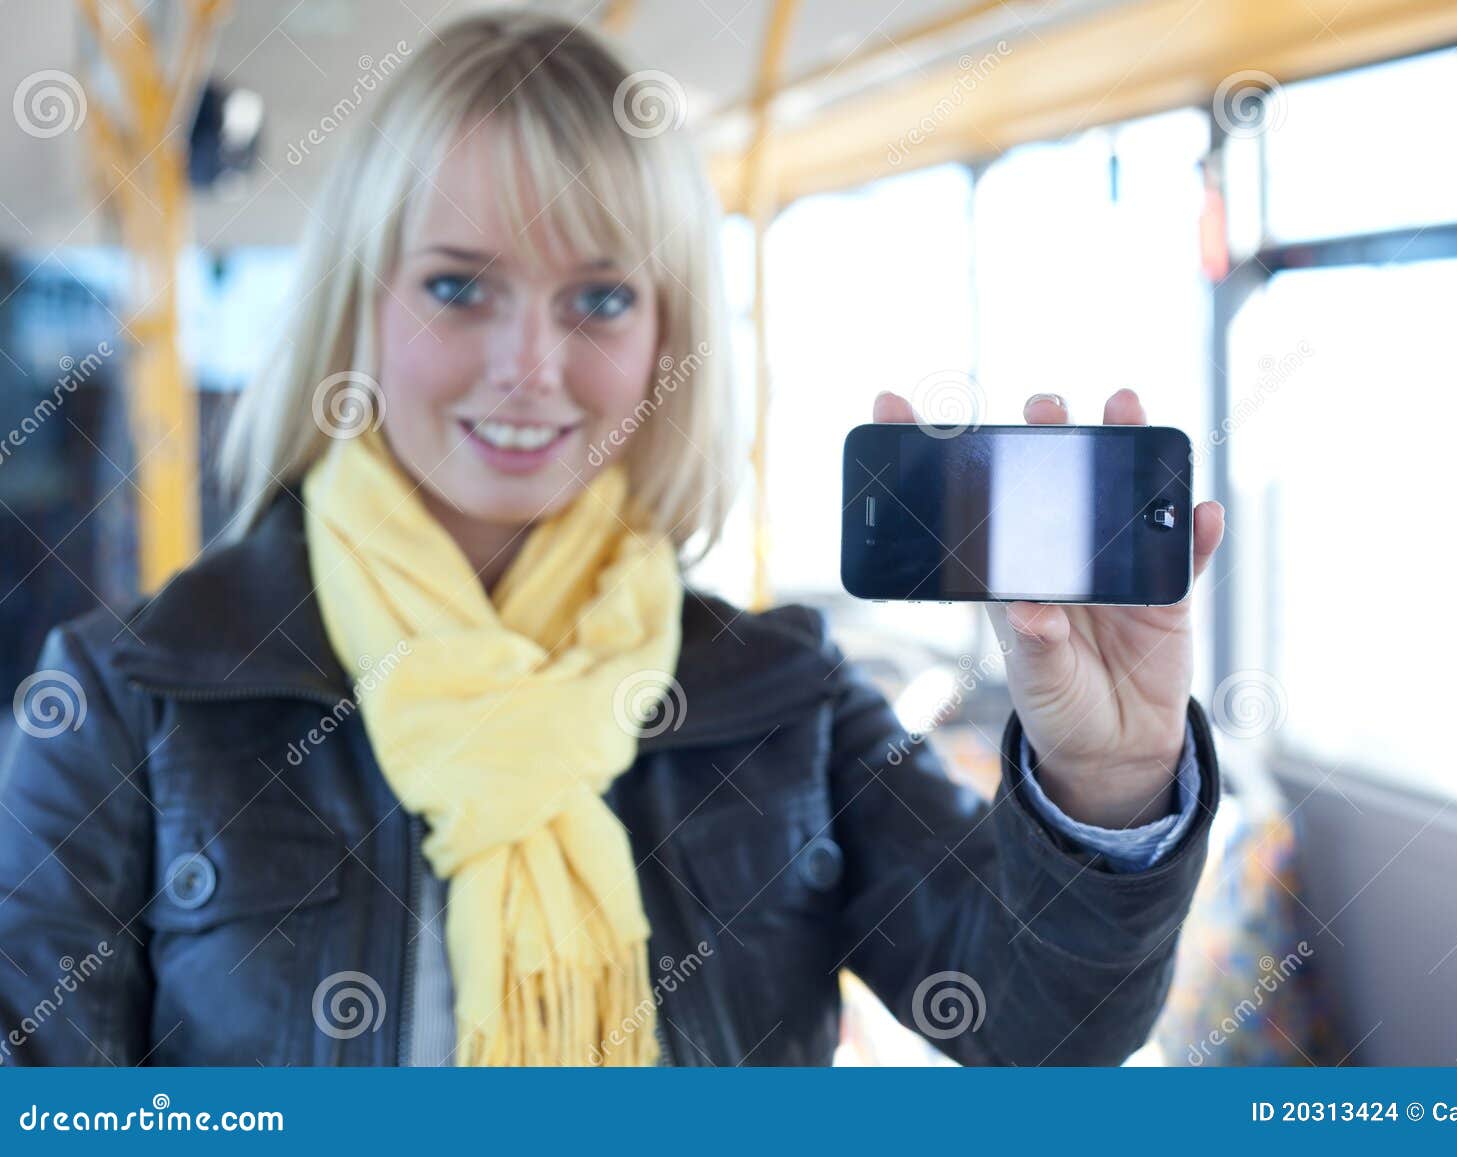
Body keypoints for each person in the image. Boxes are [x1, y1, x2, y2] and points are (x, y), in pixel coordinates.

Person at [0, 12, 1226, 1067]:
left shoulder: (779, 693)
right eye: (457, 284)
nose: (530, 368)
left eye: (598, 297)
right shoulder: (126, 704)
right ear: (357, 306)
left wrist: (1104, 787)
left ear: (666, 337)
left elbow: (1038, 1031)